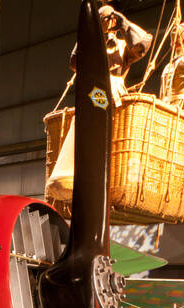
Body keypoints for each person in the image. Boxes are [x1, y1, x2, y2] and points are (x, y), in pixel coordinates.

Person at [48, 5, 153, 202]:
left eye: (109, 19)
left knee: (111, 128)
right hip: (95, 90)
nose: (107, 23)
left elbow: (143, 44)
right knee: (88, 119)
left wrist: (124, 23)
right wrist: (91, 33)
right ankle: (74, 170)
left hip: (114, 90)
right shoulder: (90, 45)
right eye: (103, 19)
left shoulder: (122, 45)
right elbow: (75, 61)